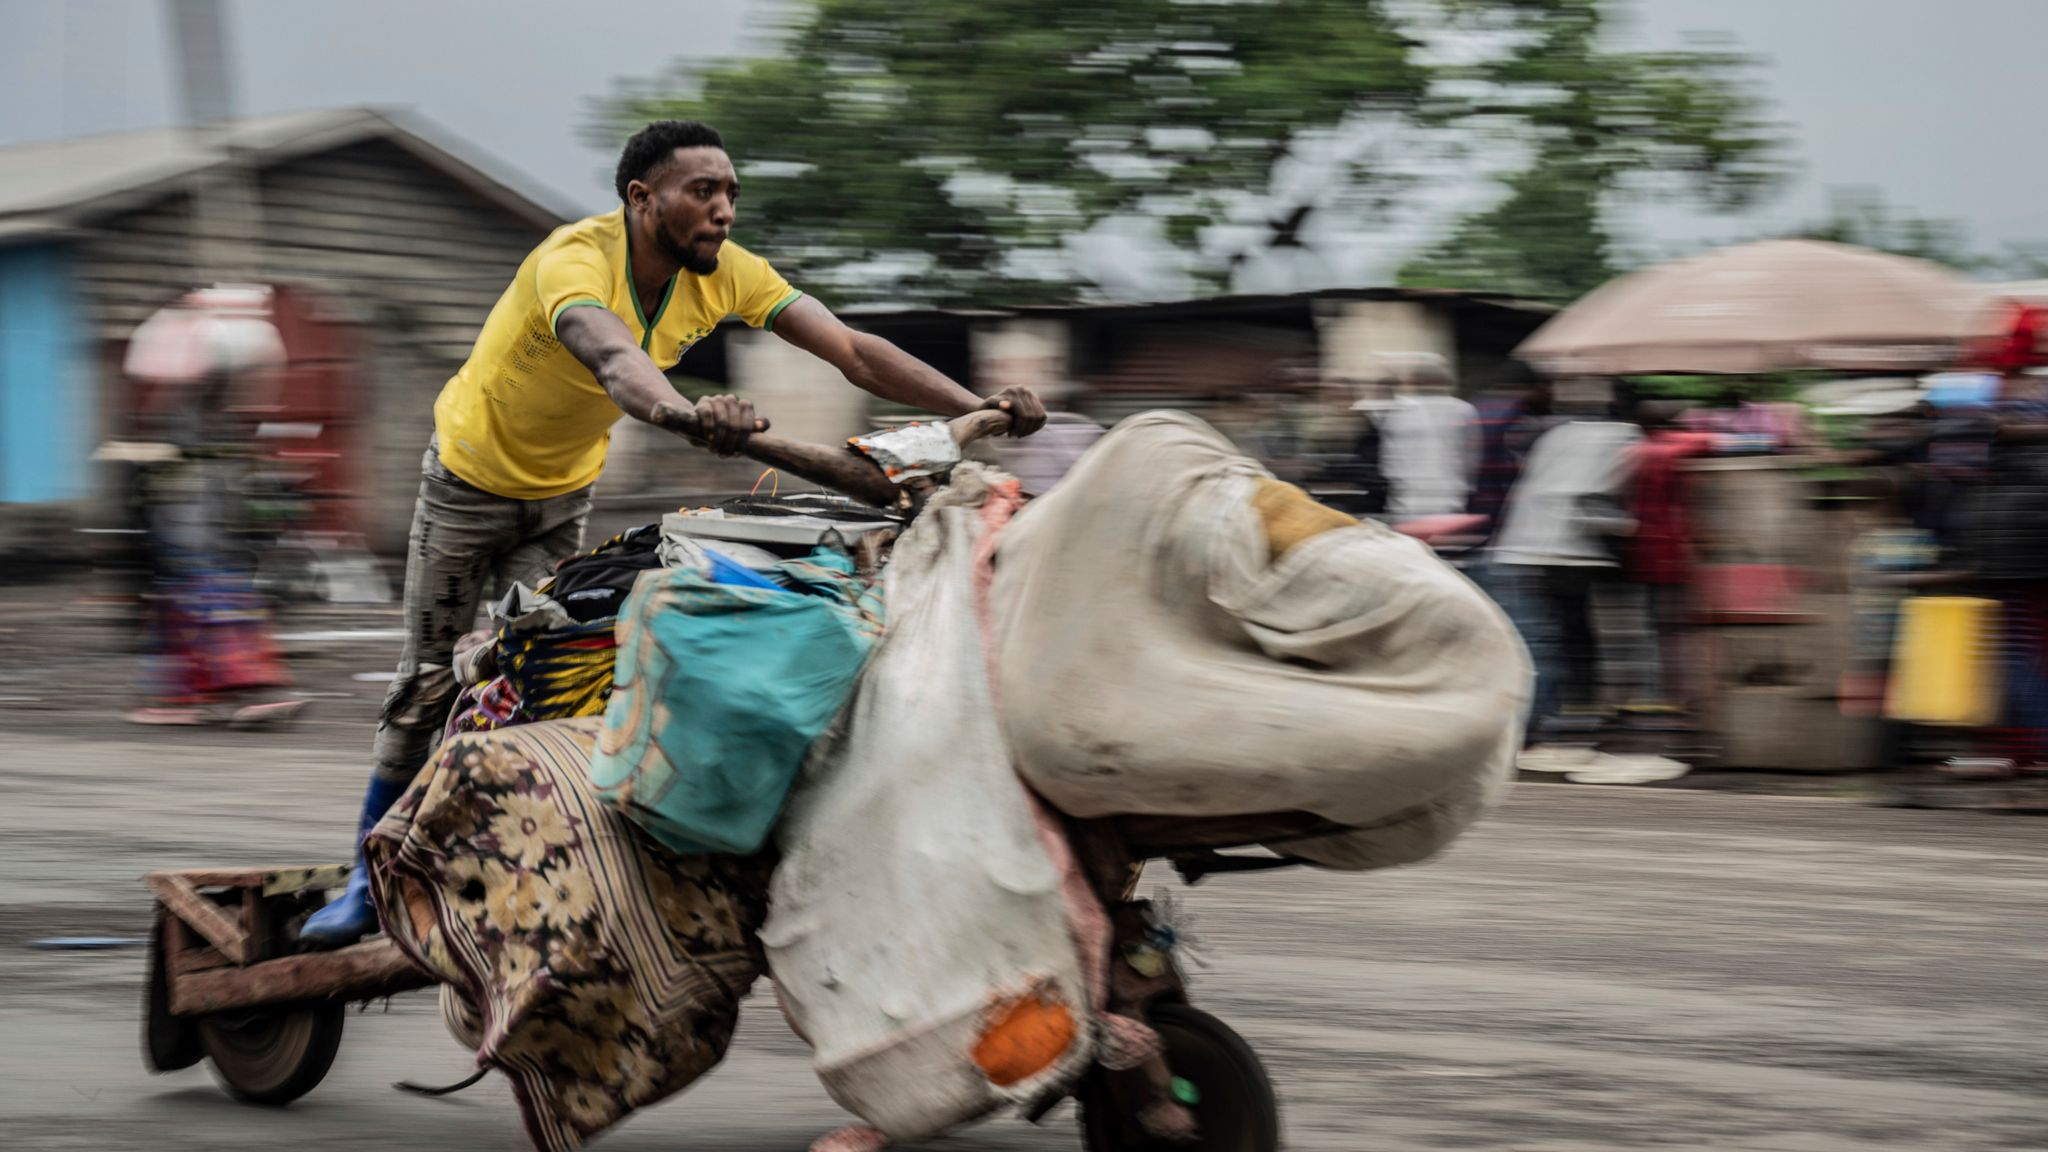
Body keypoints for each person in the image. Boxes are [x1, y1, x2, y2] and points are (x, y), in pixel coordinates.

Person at [300, 119, 1046, 945]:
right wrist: (683, 413)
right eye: (703, 191)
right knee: (425, 684)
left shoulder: (726, 274)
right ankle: (367, 880)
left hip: (560, 495)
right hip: (466, 486)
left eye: (731, 193)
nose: (723, 209)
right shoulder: (574, 261)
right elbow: (613, 358)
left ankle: (507, 860)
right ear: (641, 198)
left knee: (547, 668)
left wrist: (980, 406)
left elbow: (854, 351)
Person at [1619, 401, 1715, 716]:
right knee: (1677, 628)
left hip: (1642, 547)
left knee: (1653, 625)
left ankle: (1657, 691)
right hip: (1674, 548)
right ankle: (1682, 693)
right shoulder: (1676, 447)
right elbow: (1710, 441)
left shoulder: (1634, 452)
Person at [1377, 358, 1479, 521]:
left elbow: (1388, 462)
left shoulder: (1399, 412)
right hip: (1449, 495)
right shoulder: (1464, 410)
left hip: (1408, 498)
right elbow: (1472, 457)